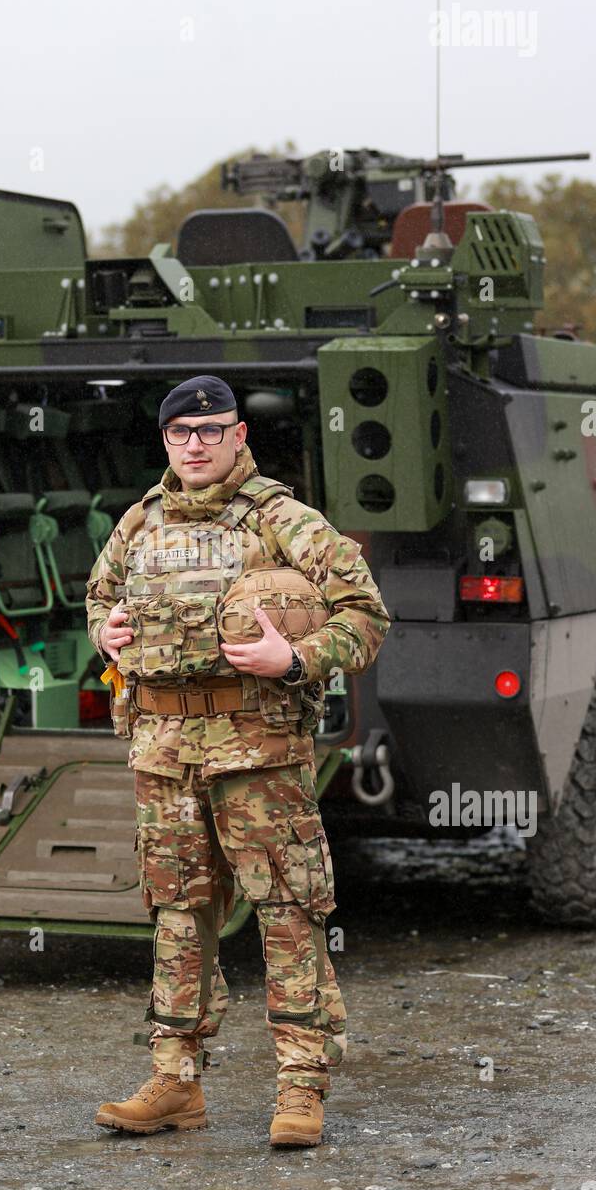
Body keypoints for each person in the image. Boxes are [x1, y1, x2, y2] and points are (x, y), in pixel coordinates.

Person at [85, 374, 390, 1146]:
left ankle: (300, 1087)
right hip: (162, 753)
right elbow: (98, 597)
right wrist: (105, 632)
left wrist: (296, 656)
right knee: (178, 915)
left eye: (211, 431)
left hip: (257, 753)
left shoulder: (285, 521)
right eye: (180, 433)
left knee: (288, 911)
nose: (195, 445)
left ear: (238, 438)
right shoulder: (140, 522)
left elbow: (367, 617)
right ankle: (175, 1081)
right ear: (165, 441)